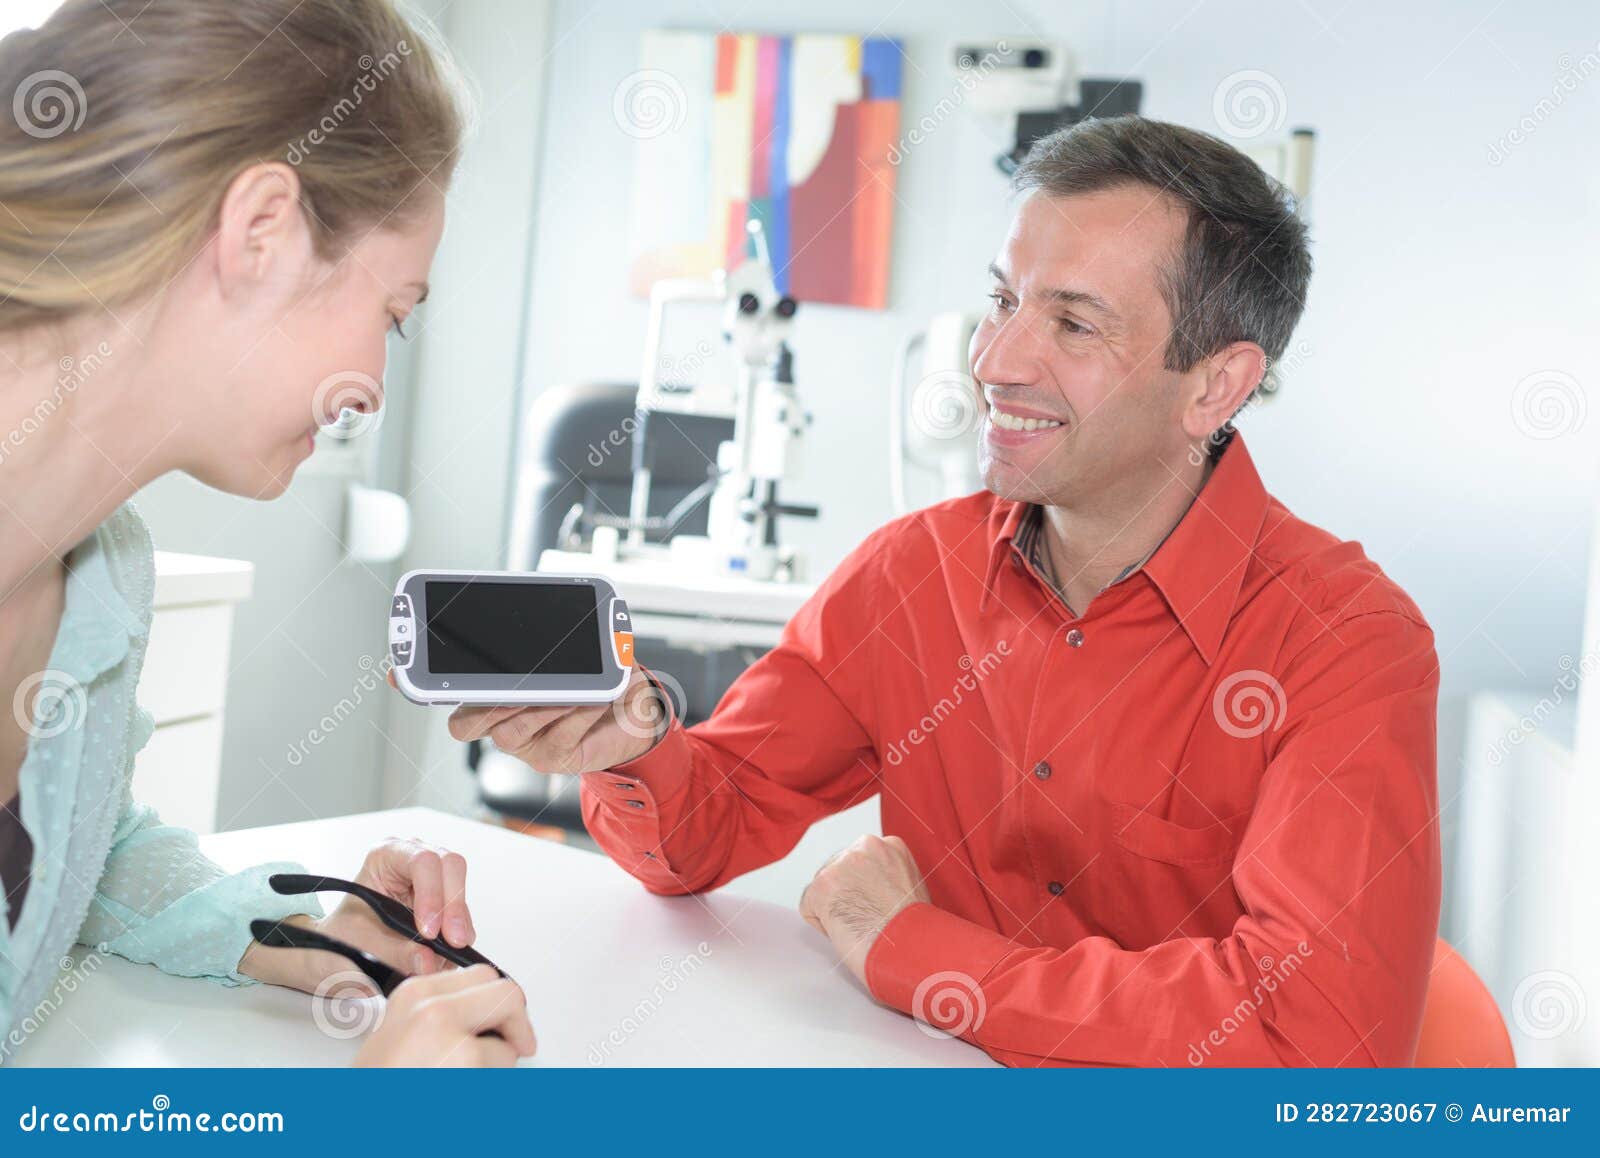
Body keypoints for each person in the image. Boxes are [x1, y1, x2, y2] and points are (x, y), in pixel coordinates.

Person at [455, 116, 1441, 1067]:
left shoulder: (1345, 642)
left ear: (1215, 387)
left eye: (1073, 322)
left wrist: (912, 951)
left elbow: (1318, 1043)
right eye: (1004, 300)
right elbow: (707, 827)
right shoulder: (914, 572)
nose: (994, 361)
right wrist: (634, 747)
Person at [0, 0, 533, 1066]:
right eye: (393, 312)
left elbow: (77, 857)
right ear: (261, 232)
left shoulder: (103, 577)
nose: (375, 388)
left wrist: (301, 925)